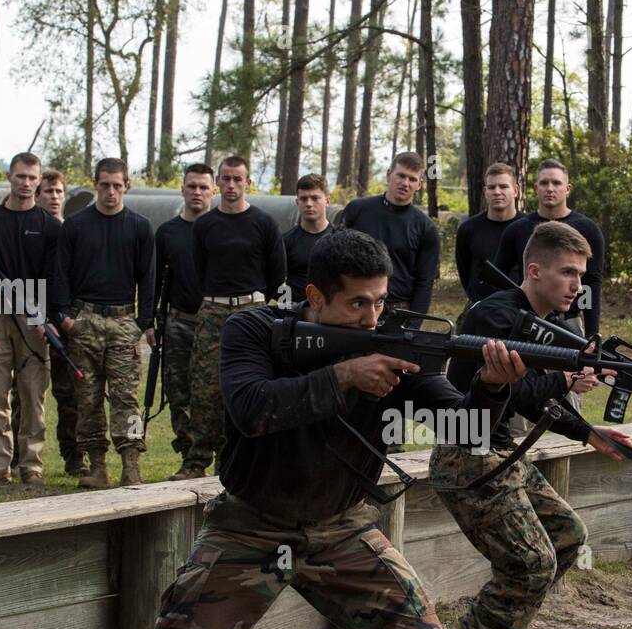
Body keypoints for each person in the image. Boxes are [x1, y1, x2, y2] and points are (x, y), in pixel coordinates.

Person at [107, 227, 525, 629]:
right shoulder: (254, 329)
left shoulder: (395, 345)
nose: (372, 318)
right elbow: (251, 408)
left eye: (380, 301)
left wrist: (493, 388)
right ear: (316, 297)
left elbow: (465, 427)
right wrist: (344, 376)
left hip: (343, 527)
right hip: (250, 525)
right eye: (357, 303)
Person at [432, 222, 632, 629]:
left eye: (582, 275)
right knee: (532, 562)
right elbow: (513, 388)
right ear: (535, 270)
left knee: (567, 537)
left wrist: (586, 431)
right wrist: (565, 379)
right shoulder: (495, 315)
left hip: (501, 451)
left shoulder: (546, 325)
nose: (576, 286)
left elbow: (532, 397)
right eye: (567, 273)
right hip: (468, 455)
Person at [175, 155, 285, 480]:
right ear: (218, 182)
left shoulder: (264, 223)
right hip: (212, 311)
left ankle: (234, 461)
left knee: (244, 385)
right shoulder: (205, 225)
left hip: (252, 311)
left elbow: (276, 273)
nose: (232, 185)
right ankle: (196, 461)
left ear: (248, 182)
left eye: (238, 179)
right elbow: (198, 269)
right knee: (205, 387)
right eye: (226, 179)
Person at [57, 157, 155, 488]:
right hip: (84, 320)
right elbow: (61, 274)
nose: (111, 191)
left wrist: (143, 321)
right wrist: (66, 319)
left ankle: (131, 463)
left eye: (117, 185)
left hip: (123, 320)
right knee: (88, 396)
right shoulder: (75, 225)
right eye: (104, 185)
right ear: (95, 184)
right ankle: (96, 465)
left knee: (126, 397)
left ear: (126, 185)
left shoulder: (140, 227)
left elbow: (149, 276)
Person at [0, 152, 66, 486]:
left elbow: (56, 277)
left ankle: (31, 465)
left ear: (39, 180)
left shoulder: (50, 226)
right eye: (20, 177)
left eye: (32, 178)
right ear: (9, 178)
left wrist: (50, 319)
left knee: (32, 394)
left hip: (34, 318)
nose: (26, 183)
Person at [493, 158, 606, 338]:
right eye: (544, 183)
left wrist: (592, 332)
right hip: (524, 318)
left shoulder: (588, 229)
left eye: (556, 183)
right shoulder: (517, 229)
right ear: (536, 188)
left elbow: (591, 283)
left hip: (568, 321)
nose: (550, 188)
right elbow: (497, 278)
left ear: (567, 188)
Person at [153, 163, 214, 478]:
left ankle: (227, 457)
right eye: (192, 186)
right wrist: (152, 322)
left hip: (217, 323)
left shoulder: (223, 228)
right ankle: (192, 460)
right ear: (182, 189)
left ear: (213, 191)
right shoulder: (168, 232)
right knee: (180, 391)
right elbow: (156, 281)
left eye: (204, 187)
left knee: (217, 392)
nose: (197, 192)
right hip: (179, 321)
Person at [338, 151, 439, 314]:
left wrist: (413, 325)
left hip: (397, 310)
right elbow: (336, 258)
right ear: (389, 174)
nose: (405, 183)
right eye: (401, 176)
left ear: (419, 185)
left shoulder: (425, 228)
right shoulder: (357, 210)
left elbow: (425, 282)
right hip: (354, 303)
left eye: (412, 179)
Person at [35, 168, 82, 475]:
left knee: (70, 395)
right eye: (47, 192)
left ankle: (74, 456)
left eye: (58, 192)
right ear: (37, 196)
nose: (53, 197)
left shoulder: (73, 232)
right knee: (27, 392)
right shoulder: (34, 233)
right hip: (35, 322)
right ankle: (20, 459)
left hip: (66, 324)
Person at [454, 162, 520, 302]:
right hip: (482, 309)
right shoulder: (468, 229)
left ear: (515, 190)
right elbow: (465, 271)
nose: (497, 192)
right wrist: (476, 299)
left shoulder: (530, 228)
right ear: (485, 192)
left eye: (503, 186)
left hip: (521, 310)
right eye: (491, 187)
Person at [281, 173, 331, 304]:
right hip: (297, 316)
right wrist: (287, 309)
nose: (309, 204)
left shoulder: (340, 239)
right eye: (304, 199)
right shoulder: (285, 242)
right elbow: (277, 282)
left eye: (315, 198)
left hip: (332, 314)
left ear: (327, 201)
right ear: (297, 202)